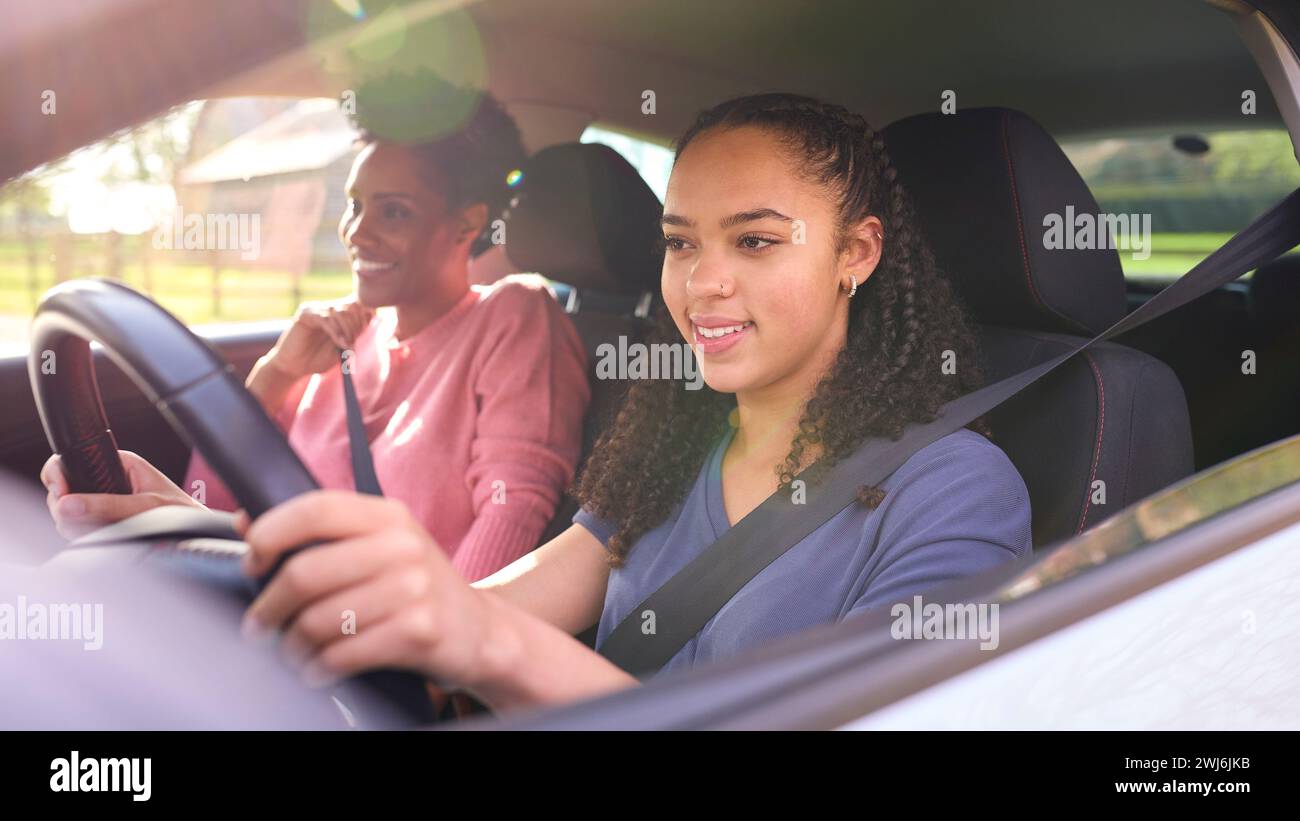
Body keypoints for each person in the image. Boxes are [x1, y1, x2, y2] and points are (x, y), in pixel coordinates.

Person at [57, 92, 1035, 715]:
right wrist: (216, 542)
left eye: (756, 241)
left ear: (855, 254)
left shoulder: (954, 488)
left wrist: (478, 641)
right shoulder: (673, 440)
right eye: (683, 241)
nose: (703, 284)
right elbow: (471, 612)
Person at [42, 73, 590, 583]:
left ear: (468, 224)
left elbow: (514, 505)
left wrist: (439, 671)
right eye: (354, 206)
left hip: (379, 666)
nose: (357, 233)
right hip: (268, 618)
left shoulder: (514, 315)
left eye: (393, 212)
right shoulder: (334, 340)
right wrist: (275, 375)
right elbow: (214, 509)